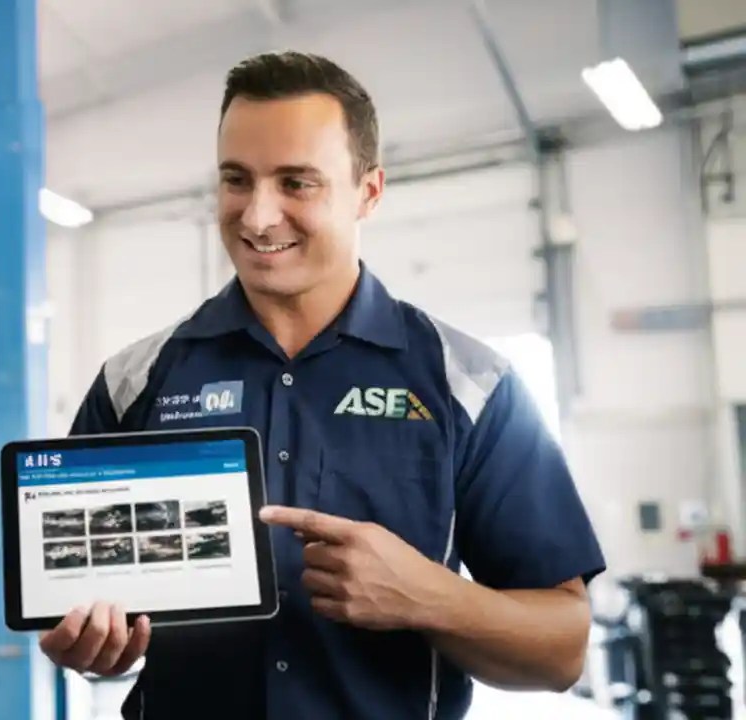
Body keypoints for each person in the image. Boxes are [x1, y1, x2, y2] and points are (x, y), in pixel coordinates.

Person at [39, 51, 606, 720]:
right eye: (236, 179)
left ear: (369, 191)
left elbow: (562, 651)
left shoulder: (470, 385)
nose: (256, 217)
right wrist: (92, 641)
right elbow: (83, 601)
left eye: (296, 182)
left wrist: (428, 597)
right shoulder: (135, 381)